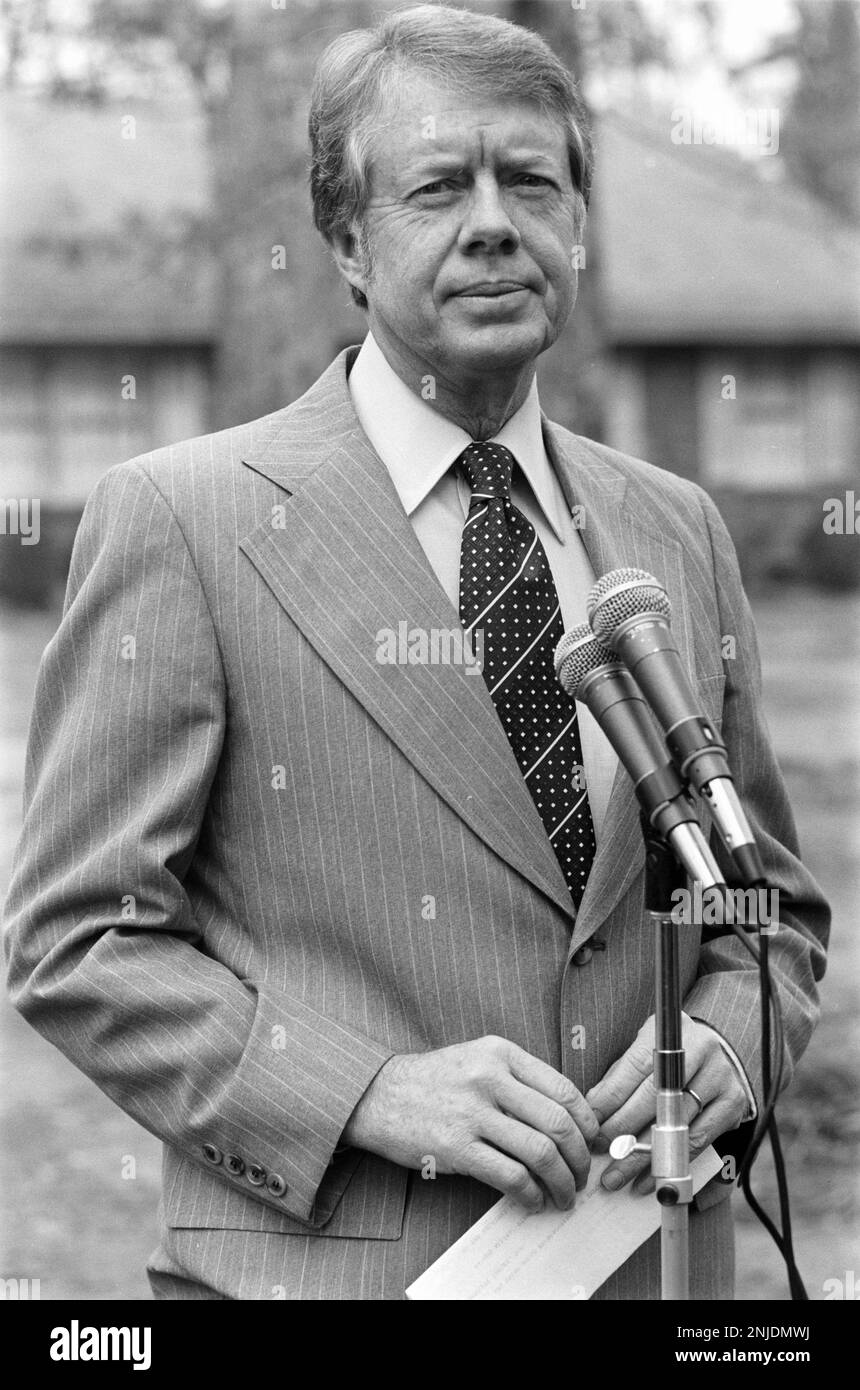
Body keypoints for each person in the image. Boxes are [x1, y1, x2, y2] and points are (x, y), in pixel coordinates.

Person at [3, 4, 828, 1301]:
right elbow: (80, 937)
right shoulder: (185, 521)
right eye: (440, 186)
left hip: (658, 1276)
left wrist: (731, 1033)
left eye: (532, 182)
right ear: (347, 238)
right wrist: (370, 1089)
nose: (494, 221)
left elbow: (761, 904)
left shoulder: (679, 529)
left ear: (578, 229)